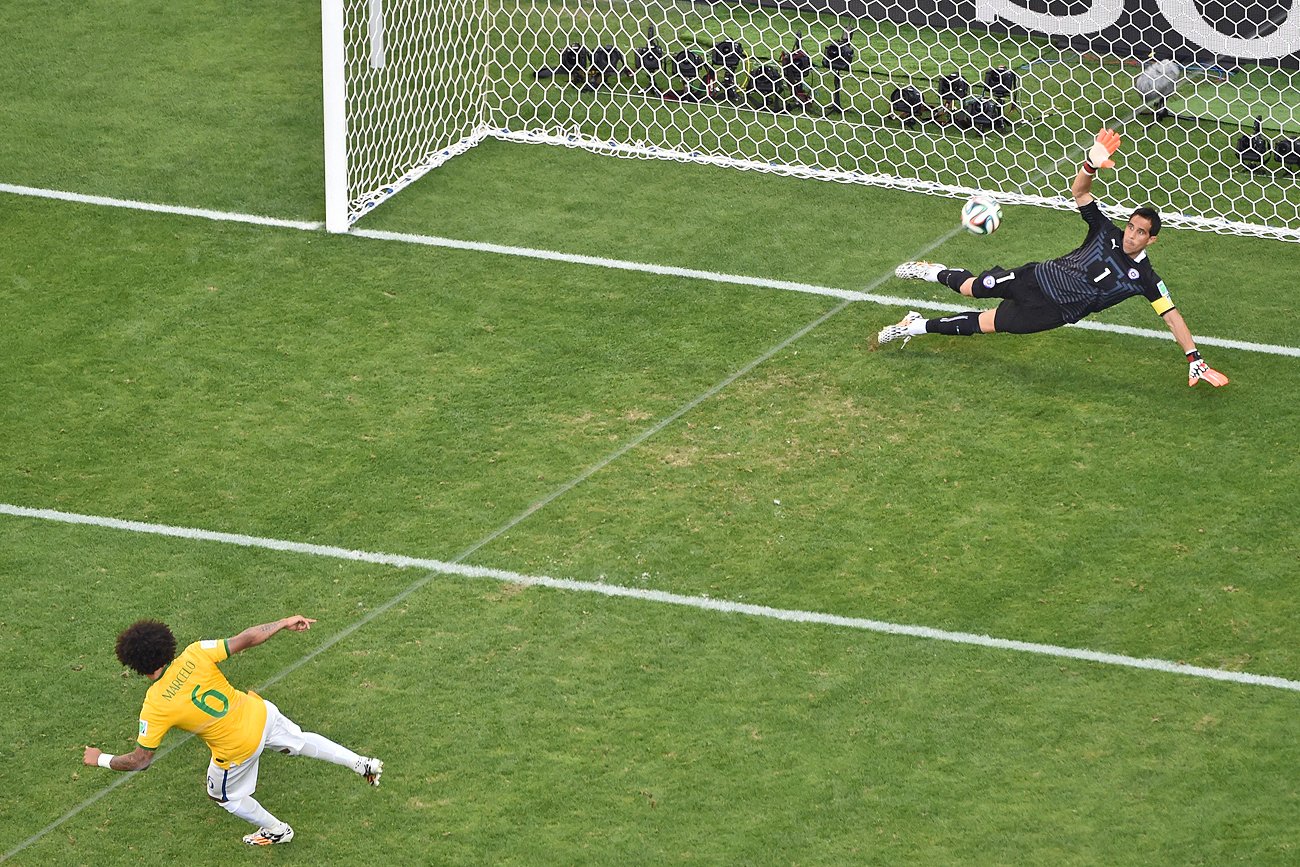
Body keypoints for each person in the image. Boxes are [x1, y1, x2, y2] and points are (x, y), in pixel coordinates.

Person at [878, 128, 1229, 388]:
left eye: (1140, 233)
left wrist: (1194, 358)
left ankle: (914, 325)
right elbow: (1080, 191)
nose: (1131, 235)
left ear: (1152, 240)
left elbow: (1172, 317)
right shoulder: (1104, 230)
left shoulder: (1147, 279)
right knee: (972, 288)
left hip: (1052, 312)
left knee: (986, 325)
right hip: (1036, 278)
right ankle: (929, 271)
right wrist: (1090, 164)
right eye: (1131, 227)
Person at [84, 615, 383, 847]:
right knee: (301, 740)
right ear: (167, 643)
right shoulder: (195, 652)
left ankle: (278, 830)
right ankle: (362, 763)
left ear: (136, 666)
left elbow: (141, 760)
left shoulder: (155, 704)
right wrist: (282, 622)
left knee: (223, 797)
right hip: (260, 712)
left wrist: (99, 758)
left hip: (238, 747)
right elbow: (248, 638)